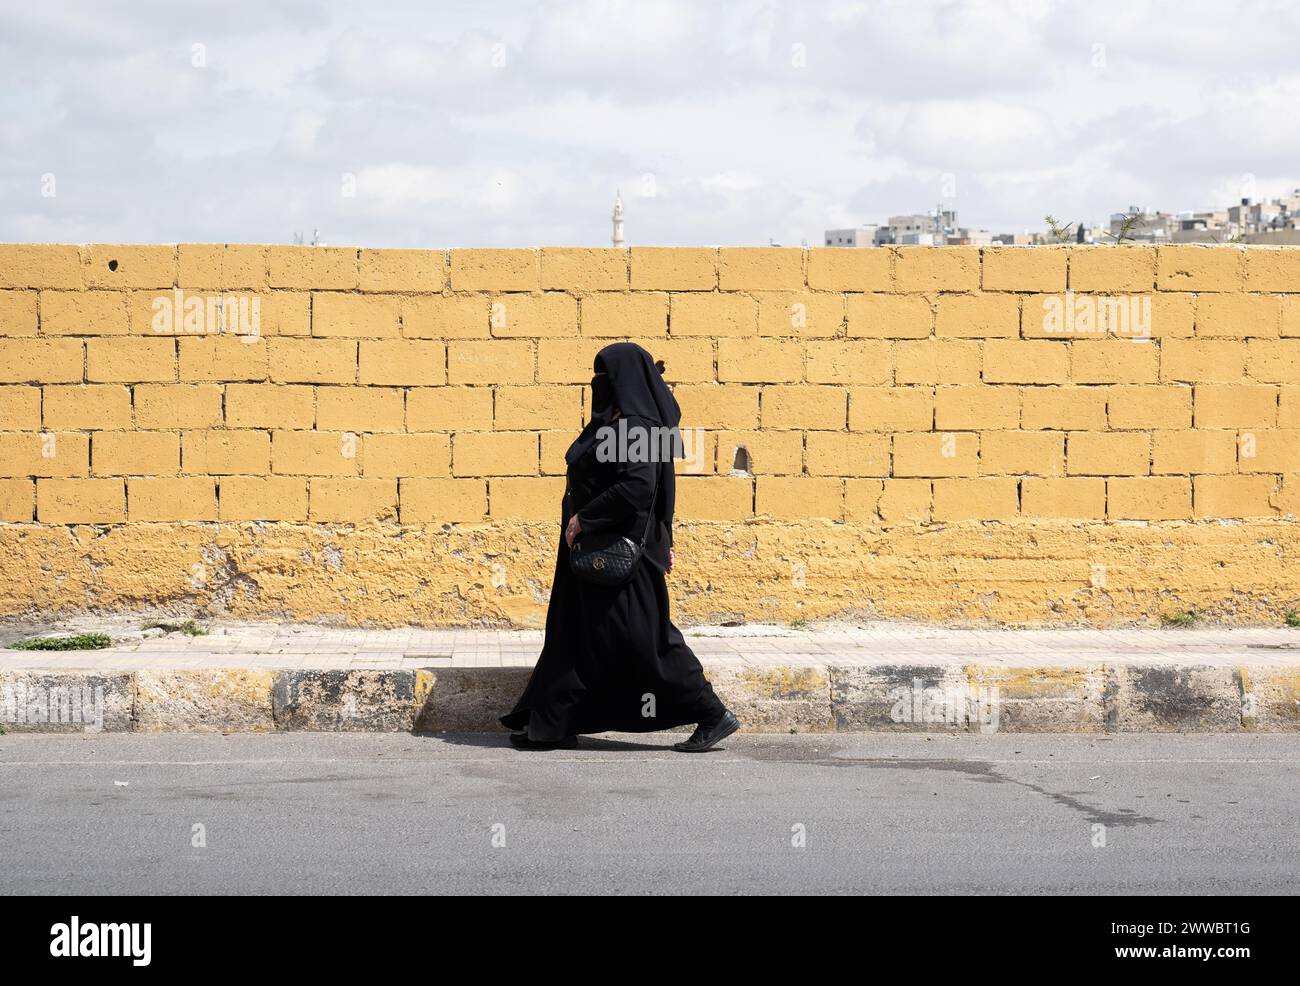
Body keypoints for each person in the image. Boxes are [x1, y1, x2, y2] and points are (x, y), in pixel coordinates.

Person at [499, 342, 740, 752]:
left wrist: (585, 519)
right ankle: (554, 723)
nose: (598, 385)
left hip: (623, 552)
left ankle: (712, 712)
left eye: (603, 377)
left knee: (648, 640)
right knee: (575, 635)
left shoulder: (637, 425)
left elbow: (640, 487)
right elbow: (661, 491)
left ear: (621, 379)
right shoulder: (629, 421)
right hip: (597, 550)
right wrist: (665, 538)